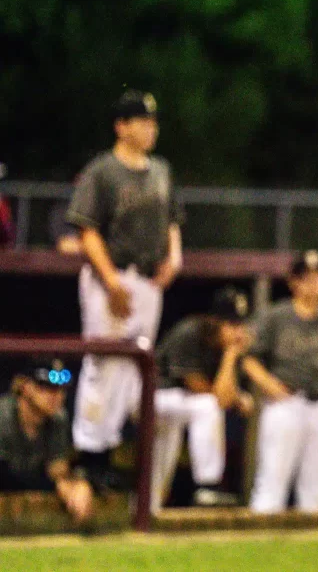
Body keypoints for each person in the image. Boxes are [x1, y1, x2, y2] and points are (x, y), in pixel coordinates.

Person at [65, 90, 184, 486]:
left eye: (152, 121)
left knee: (134, 369)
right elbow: (87, 231)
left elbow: (171, 221)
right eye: (141, 120)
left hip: (149, 279)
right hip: (111, 277)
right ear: (121, 126)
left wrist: (175, 255)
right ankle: (90, 454)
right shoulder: (102, 170)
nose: (150, 127)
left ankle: (108, 451)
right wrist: (111, 281)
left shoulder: (161, 170)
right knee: (103, 365)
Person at [244, 250, 318, 513]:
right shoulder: (275, 316)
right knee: (272, 480)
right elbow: (249, 357)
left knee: (316, 486)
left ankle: (312, 544)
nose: (314, 284)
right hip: (285, 403)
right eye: (306, 278)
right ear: (293, 281)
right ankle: (260, 536)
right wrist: (269, 385)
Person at [151, 287, 254, 512]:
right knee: (207, 407)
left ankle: (148, 514)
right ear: (214, 321)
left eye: (240, 325)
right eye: (231, 324)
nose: (238, 332)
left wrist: (230, 357)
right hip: (152, 397)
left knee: (158, 476)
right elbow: (200, 388)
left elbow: (223, 397)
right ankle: (208, 485)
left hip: (179, 408)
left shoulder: (229, 348)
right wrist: (235, 397)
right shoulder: (190, 331)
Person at [0, 359, 94, 525]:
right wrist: (55, 485)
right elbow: (5, 475)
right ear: (26, 387)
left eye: (60, 389)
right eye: (46, 387)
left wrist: (77, 483)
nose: (56, 396)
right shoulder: (4, 415)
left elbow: (57, 471)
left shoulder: (58, 419)